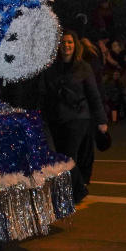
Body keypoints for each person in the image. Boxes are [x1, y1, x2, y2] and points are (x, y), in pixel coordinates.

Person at [40, 30, 108, 203]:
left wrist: (101, 121)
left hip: (78, 118)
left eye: (70, 42)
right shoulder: (52, 68)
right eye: (63, 42)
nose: (66, 46)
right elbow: (45, 93)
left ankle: (76, 192)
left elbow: (93, 94)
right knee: (61, 156)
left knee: (69, 155)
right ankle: (75, 188)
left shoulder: (83, 67)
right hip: (57, 118)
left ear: (75, 45)